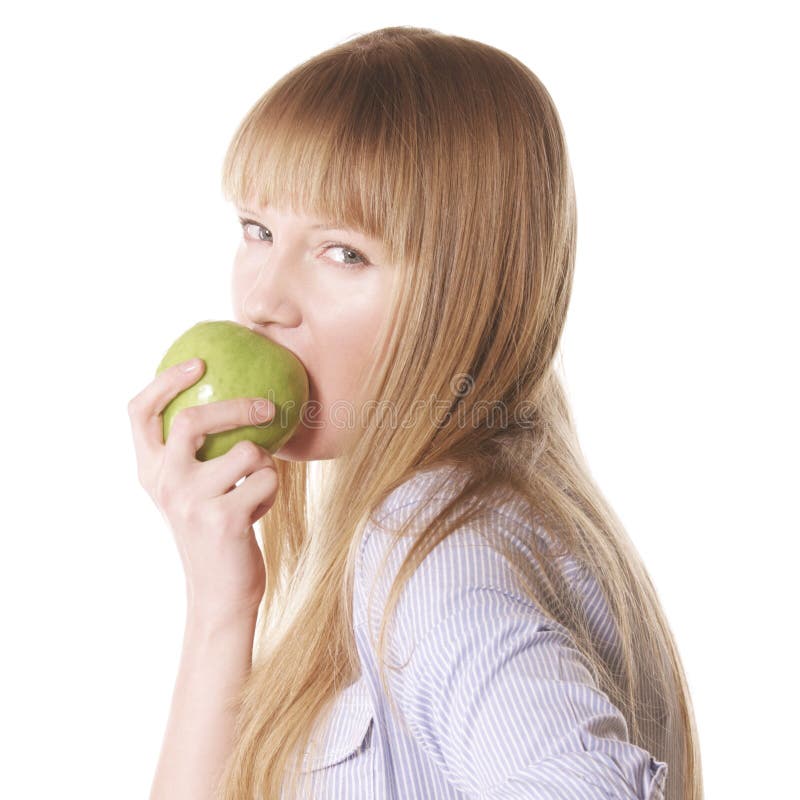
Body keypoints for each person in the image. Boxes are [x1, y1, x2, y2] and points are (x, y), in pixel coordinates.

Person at [128, 25, 703, 800]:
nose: (262, 299)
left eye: (345, 253)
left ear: (466, 292)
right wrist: (220, 602)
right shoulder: (500, 511)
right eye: (258, 231)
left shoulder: (432, 546)